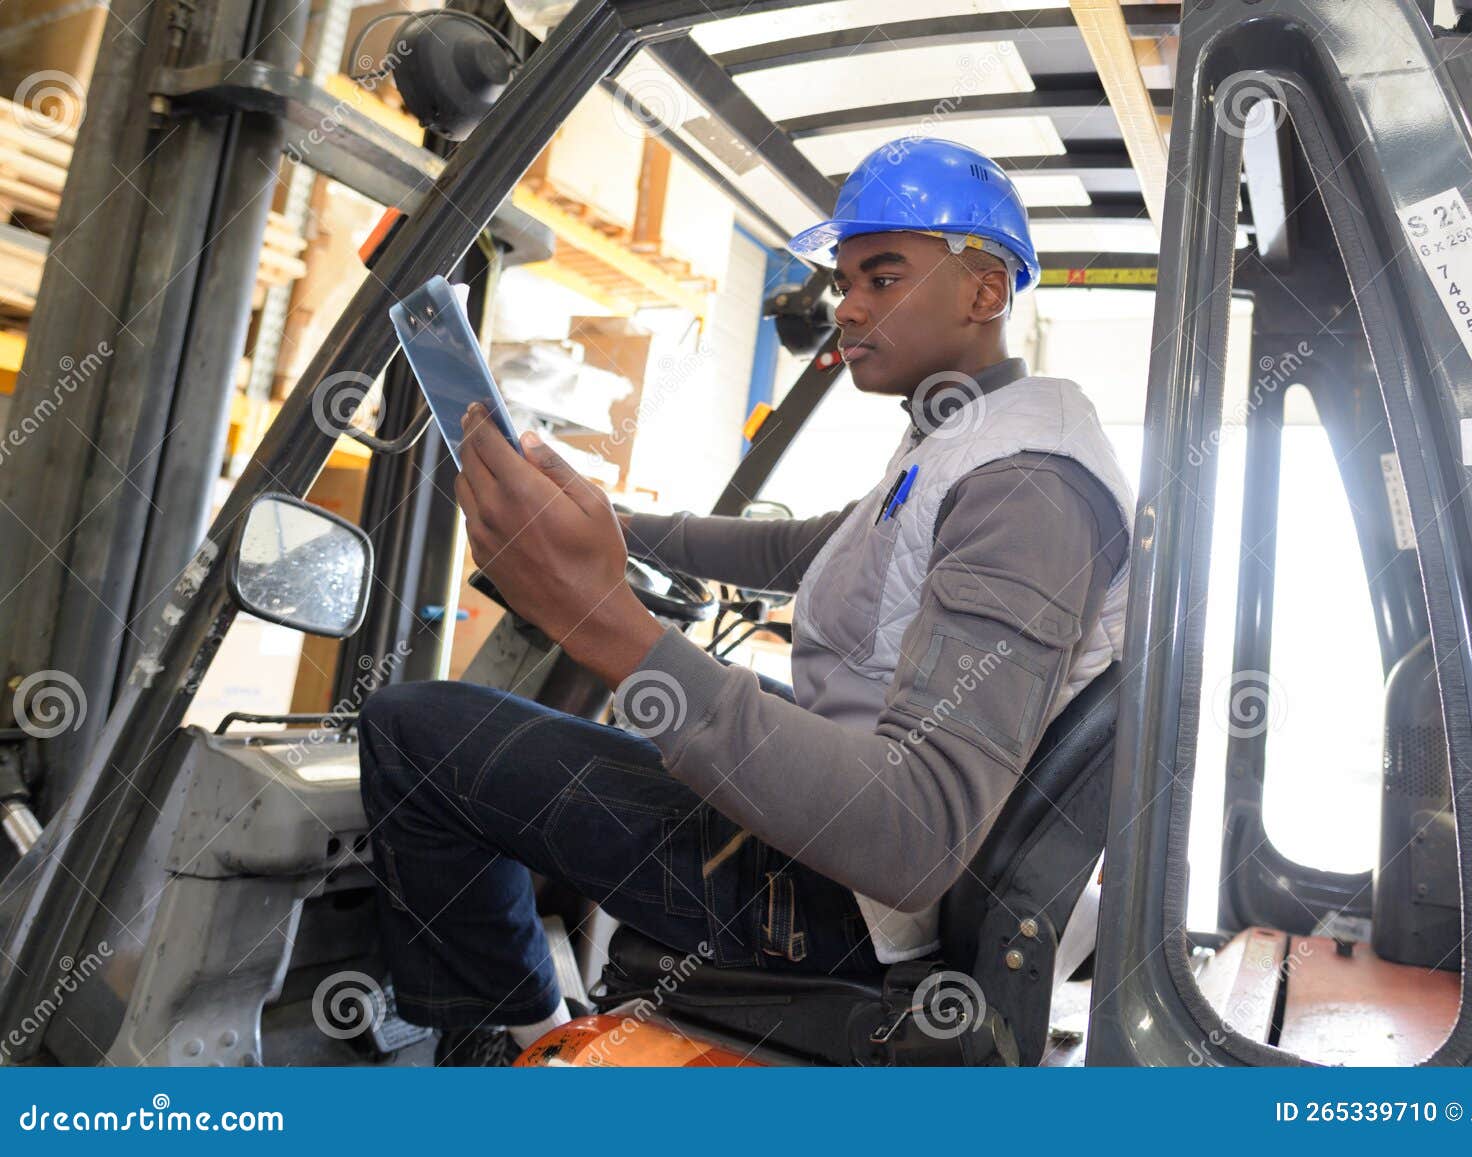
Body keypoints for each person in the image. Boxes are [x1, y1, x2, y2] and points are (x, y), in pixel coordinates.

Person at [358, 138, 1134, 1065]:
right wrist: (609, 523)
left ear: (985, 292)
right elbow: (800, 547)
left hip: (847, 906)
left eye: (882, 278)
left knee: (416, 727)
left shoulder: (1026, 486)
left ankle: (507, 1042)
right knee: (706, 709)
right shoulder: (963, 435)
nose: (848, 307)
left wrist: (607, 624)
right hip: (842, 869)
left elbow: (914, 834)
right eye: (845, 280)